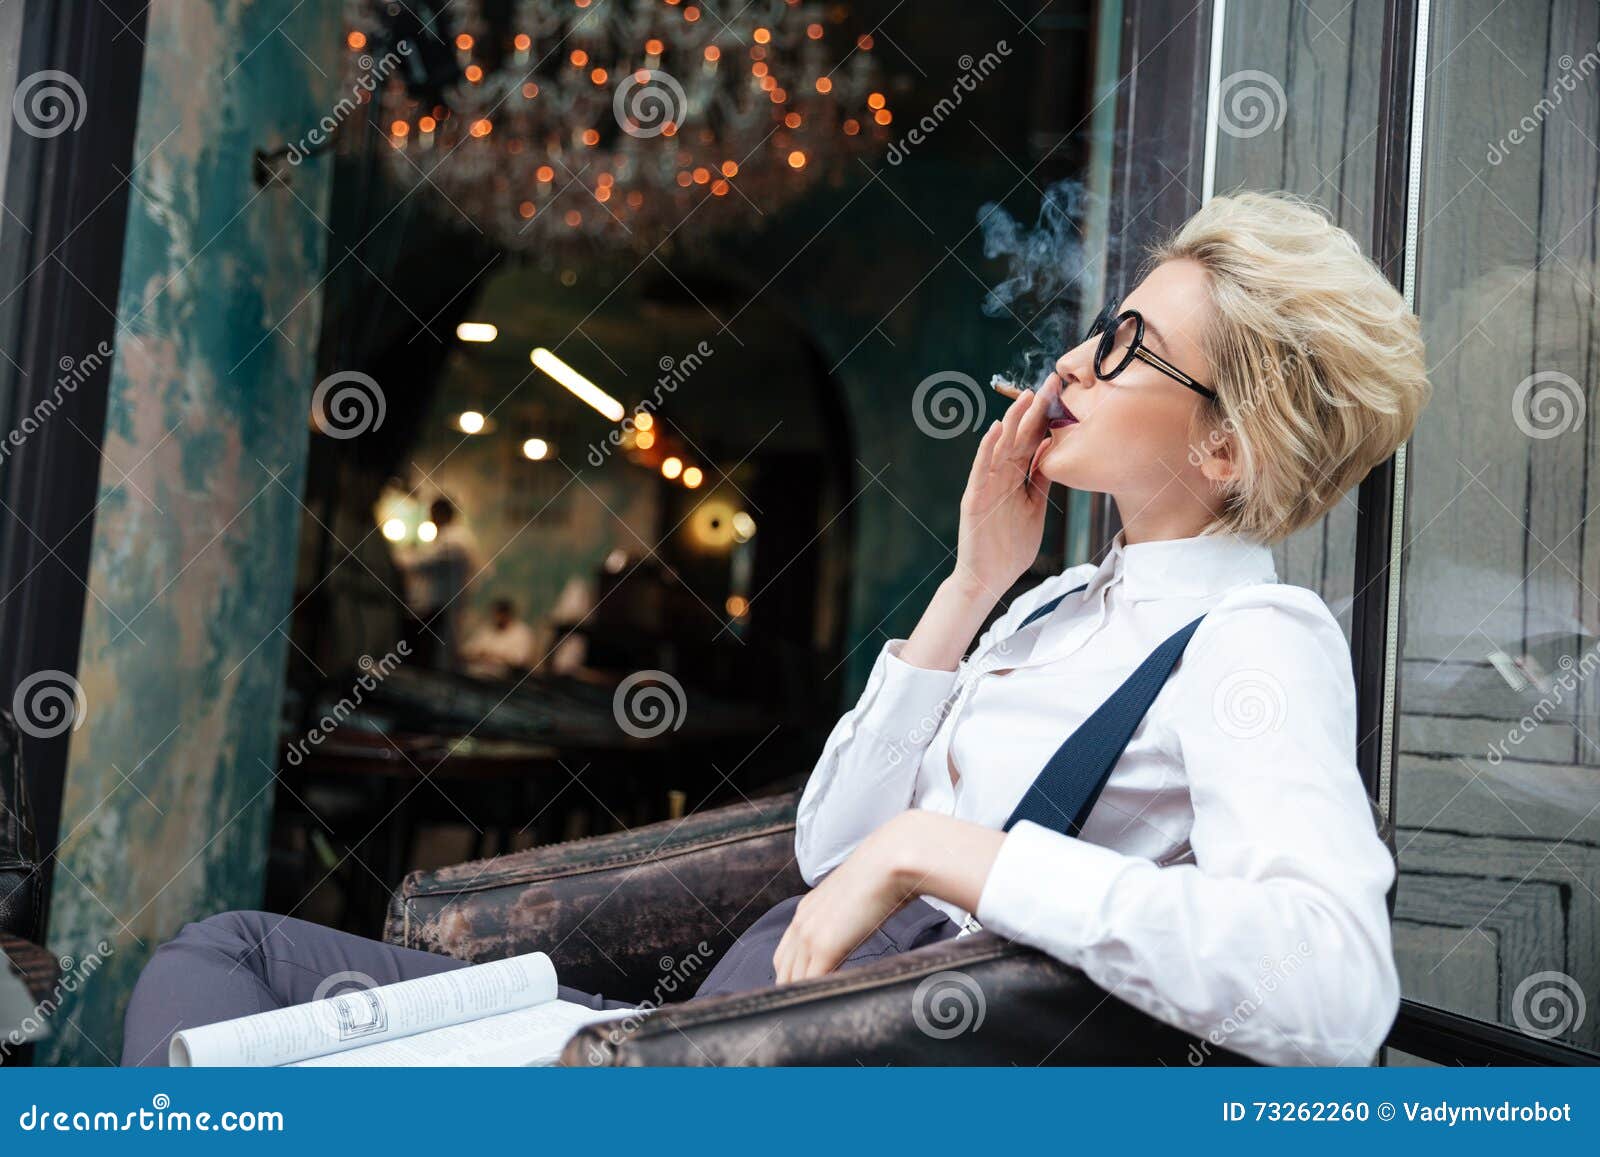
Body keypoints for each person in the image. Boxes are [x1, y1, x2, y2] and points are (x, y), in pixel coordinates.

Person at [122, 191, 1429, 1067]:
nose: (1077, 364)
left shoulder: (1256, 638)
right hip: (675, 1032)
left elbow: (1334, 987)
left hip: (696, 1073)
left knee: (223, 981)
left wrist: (947, 849)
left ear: (1226, 441)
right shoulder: (1047, 604)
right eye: (1101, 326)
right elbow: (830, 844)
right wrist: (971, 584)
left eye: (1132, 344)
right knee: (222, 959)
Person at [396, 497, 478, 670]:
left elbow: (422, 562)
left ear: (440, 514)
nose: (430, 520)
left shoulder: (455, 539)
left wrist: (395, 559)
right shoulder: (450, 537)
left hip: (442, 610)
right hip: (439, 610)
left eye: (432, 515)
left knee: (436, 659)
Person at [459, 597, 544, 680]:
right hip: (478, 674)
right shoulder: (487, 629)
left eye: (499, 614)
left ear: (506, 614)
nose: (496, 617)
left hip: (506, 680)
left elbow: (519, 661)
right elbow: (467, 651)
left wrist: (493, 656)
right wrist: (480, 655)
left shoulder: (523, 632)